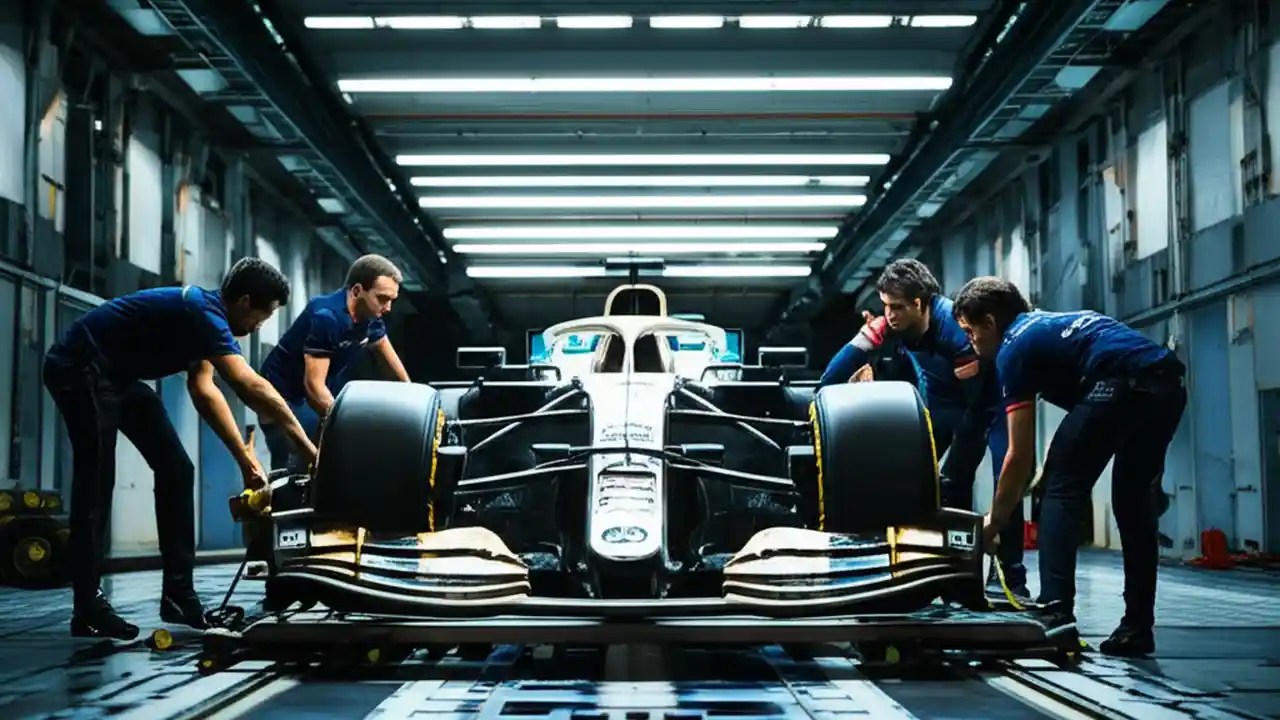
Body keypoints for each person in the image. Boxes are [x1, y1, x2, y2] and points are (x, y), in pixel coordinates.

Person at [43, 257, 319, 641]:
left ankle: (179, 596)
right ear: (243, 302)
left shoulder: (208, 323)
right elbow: (249, 385)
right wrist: (308, 449)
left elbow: (205, 391)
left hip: (117, 378)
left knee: (177, 469)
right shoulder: (202, 312)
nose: (260, 326)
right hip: (78, 366)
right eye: (262, 315)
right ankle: (87, 608)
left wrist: (247, 461)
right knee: (96, 480)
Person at [951, 276, 1187, 657]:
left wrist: (993, 522)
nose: (970, 343)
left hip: (1118, 381)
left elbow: (1019, 455)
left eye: (970, 331)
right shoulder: (1051, 326)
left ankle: (1054, 614)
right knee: (1133, 506)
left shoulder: (1013, 348)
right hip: (1166, 384)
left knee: (1059, 487)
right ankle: (1137, 628)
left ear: (991, 323)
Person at [819, 259, 1030, 599]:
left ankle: (1013, 579)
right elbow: (837, 370)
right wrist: (822, 395)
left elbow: (975, 404)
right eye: (885, 306)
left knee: (1003, 479)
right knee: (925, 486)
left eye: (897, 307)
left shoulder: (953, 325)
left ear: (919, 303)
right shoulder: (890, 323)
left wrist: (959, 461)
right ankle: (949, 569)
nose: (889, 315)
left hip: (987, 407)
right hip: (941, 407)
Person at [258, 254, 411, 471]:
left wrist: (415, 401)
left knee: (326, 461)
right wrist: (349, 428)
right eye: (382, 298)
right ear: (357, 291)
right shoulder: (327, 317)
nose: (388, 308)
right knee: (300, 468)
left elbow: (395, 369)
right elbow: (314, 387)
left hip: (307, 398)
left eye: (391, 300)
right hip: (280, 397)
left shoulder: (371, 319)